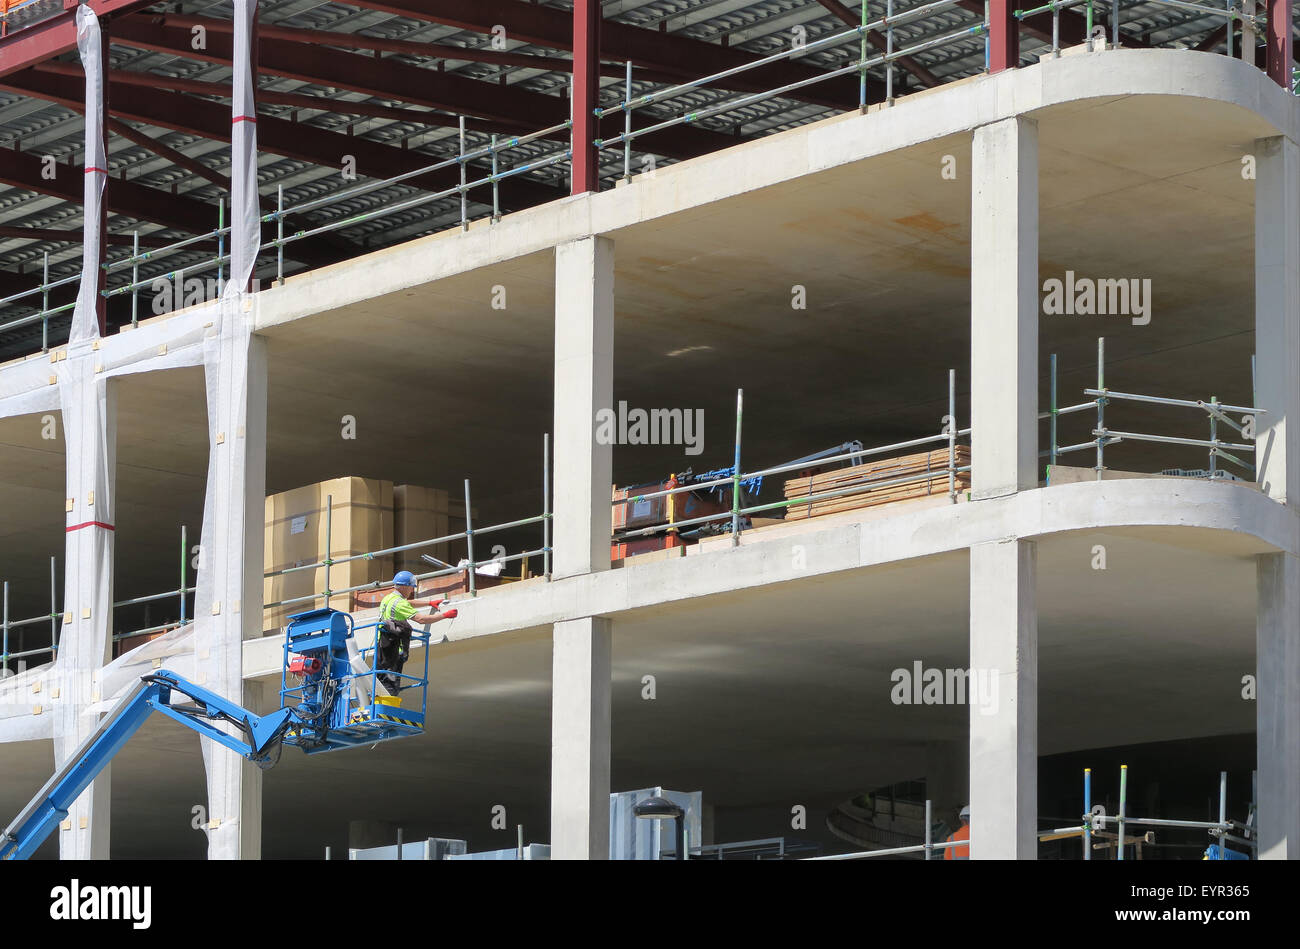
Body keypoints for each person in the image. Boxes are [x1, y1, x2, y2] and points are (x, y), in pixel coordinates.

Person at [376, 570, 456, 694]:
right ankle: (385, 709)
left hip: (383, 644)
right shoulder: (399, 603)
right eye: (411, 587)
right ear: (404, 586)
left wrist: (429, 603)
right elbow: (421, 619)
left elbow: (408, 603)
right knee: (390, 684)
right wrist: (444, 615)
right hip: (393, 647)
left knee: (380, 680)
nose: (412, 590)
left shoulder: (389, 598)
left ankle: (380, 706)